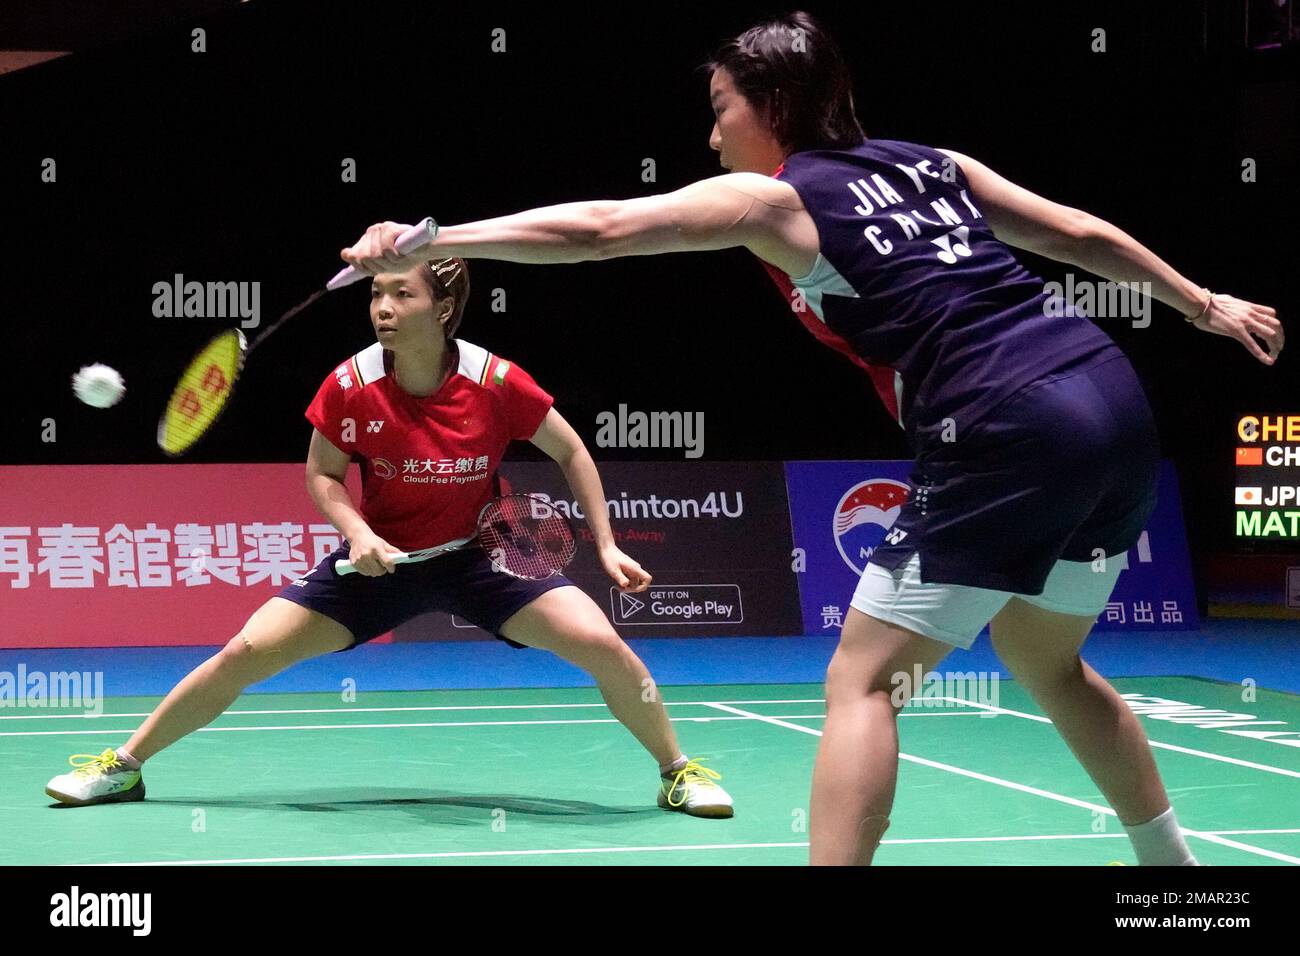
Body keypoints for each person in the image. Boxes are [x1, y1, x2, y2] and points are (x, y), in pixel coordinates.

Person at [334, 11, 1283, 865]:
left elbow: (604, 230)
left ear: (774, 105)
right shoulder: (935, 163)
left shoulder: (780, 201)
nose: (711, 136)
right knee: (1049, 663)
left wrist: (433, 237)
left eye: (720, 110)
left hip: (1004, 420)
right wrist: (1200, 304)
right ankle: (1176, 881)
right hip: (1110, 400)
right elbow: (1075, 233)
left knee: (863, 683)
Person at [46, 257, 734, 820]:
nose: (381, 305)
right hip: (381, 562)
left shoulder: (495, 382)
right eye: (376, 292)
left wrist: (607, 543)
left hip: (479, 555)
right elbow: (322, 474)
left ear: (440, 310)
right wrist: (357, 533)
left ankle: (677, 771)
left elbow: (573, 450)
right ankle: (124, 767)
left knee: (602, 645)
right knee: (247, 650)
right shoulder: (351, 385)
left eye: (400, 293)